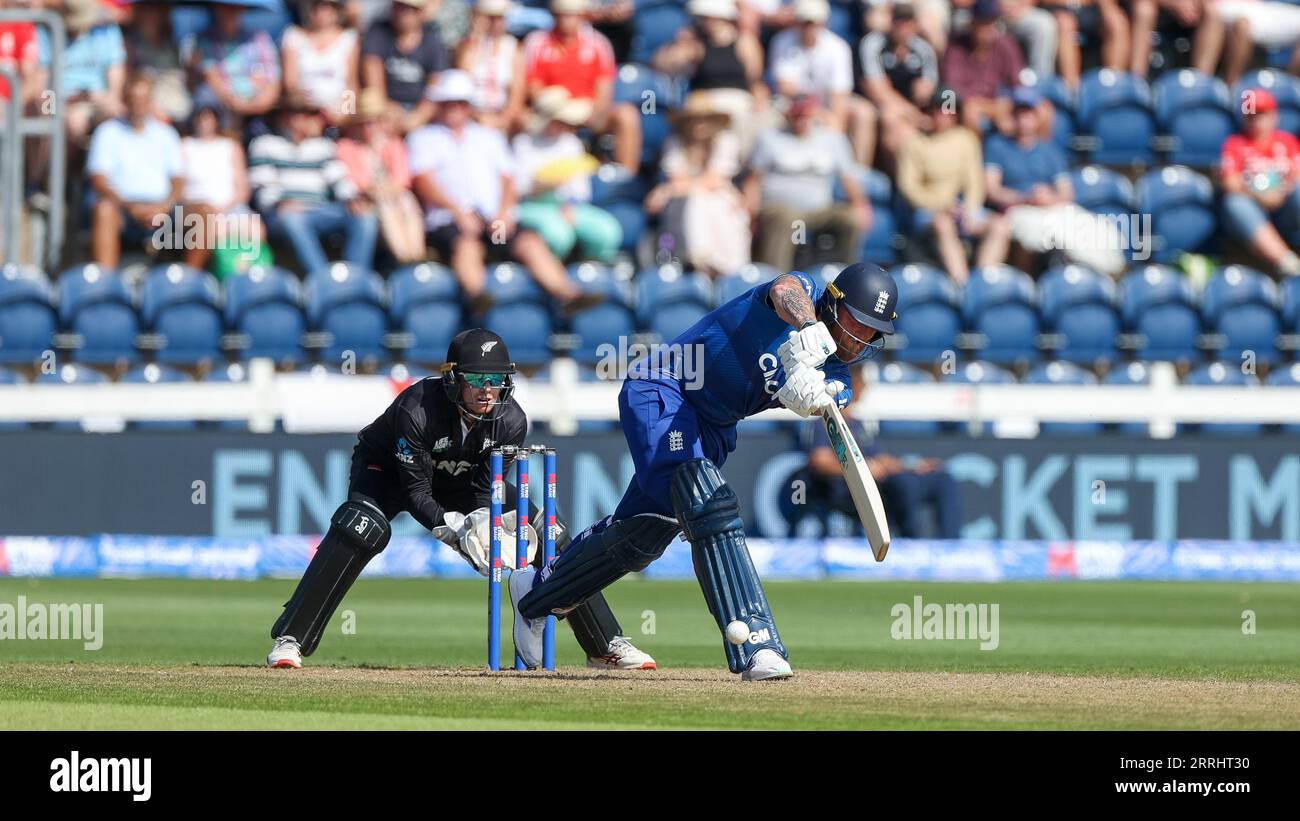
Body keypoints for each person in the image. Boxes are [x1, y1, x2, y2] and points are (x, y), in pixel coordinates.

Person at [510, 263, 901, 681]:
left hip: (713, 427)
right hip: (665, 388)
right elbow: (784, 288)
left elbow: (829, 403)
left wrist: (814, 397)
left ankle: (535, 595)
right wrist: (808, 327)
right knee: (706, 498)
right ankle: (757, 644)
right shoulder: (801, 292)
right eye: (856, 325)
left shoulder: (839, 373)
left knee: (643, 535)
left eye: (871, 334)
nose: (859, 341)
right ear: (833, 303)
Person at [266, 328, 656, 671]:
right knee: (360, 526)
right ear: (454, 380)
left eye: (497, 379)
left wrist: (483, 521)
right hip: (388, 473)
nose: (488, 389)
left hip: (464, 483)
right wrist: (454, 530)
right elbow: (416, 491)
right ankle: (292, 638)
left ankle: (604, 644)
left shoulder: (511, 421)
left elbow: (485, 491)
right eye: (477, 379)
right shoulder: (415, 409)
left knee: (548, 531)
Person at [408, 70, 587, 306]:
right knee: (466, 245)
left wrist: (504, 212)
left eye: (460, 103)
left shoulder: (489, 137)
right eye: (448, 103)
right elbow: (424, 181)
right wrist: (457, 211)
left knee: (530, 243)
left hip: (494, 217)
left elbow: (508, 179)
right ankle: (477, 297)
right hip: (449, 218)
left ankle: (568, 296)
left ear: (468, 105)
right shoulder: (423, 138)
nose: (454, 108)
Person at [800, 366, 961, 538]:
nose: (866, 387)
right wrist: (863, 469)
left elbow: (881, 459)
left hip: (881, 482)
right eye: (863, 382)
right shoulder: (825, 423)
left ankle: (951, 545)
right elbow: (820, 462)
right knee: (903, 485)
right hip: (852, 490)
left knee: (943, 480)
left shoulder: (859, 425)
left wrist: (913, 465)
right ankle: (913, 543)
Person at [248, 94, 379, 274]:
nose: (312, 119)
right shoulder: (264, 145)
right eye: (305, 114)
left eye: (312, 114)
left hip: (322, 210)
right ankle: (321, 278)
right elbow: (264, 188)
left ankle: (355, 278)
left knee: (365, 216)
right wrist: (280, 203)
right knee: (292, 220)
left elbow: (340, 181)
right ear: (285, 117)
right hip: (283, 214)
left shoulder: (323, 147)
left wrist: (353, 199)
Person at [745, 93, 872, 272]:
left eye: (805, 113)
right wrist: (752, 214)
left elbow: (848, 179)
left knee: (850, 219)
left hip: (820, 210)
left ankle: (845, 277)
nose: (801, 118)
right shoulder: (769, 138)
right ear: (788, 114)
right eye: (797, 113)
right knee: (790, 219)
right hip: (779, 209)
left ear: (815, 113)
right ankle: (777, 282)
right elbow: (753, 181)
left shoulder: (833, 140)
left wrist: (861, 205)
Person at [897, 89, 1008, 283]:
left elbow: (975, 181)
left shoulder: (966, 139)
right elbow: (908, 188)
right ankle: (961, 283)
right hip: (928, 211)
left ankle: (983, 281)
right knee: (943, 225)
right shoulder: (914, 143)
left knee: (999, 225)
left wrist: (970, 209)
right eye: (938, 111)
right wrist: (942, 205)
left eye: (947, 111)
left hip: (961, 209)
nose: (943, 116)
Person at [522, 0, 641, 172]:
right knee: (521, 119)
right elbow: (533, 87)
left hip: (586, 110)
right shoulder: (537, 42)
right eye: (561, 14)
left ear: (582, 16)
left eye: (570, 14)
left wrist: (593, 115)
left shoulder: (598, 44)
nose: (565, 20)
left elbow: (604, 88)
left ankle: (625, 179)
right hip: (550, 110)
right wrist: (556, 109)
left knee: (627, 114)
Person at [512, 87, 622, 263]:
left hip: (569, 206)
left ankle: (591, 274)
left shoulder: (571, 143)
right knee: (559, 235)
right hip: (533, 207)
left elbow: (581, 190)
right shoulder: (523, 144)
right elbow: (518, 190)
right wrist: (543, 186)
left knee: (608, 231)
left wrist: (569, 206)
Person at [646, 92, 751, 276]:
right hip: (684, 201)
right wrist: (678, 187)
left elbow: (715, 179)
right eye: (694, 119)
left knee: (721, 208)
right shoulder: (675, 142)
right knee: (696, 201)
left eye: (704, 119)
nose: (699, 124)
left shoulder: (726, 140)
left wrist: (667, 190)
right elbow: (678, 178)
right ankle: (700, 260)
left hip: (718, 197)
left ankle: (728, 268)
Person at [86, 72, 183, 269]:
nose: (138, 105)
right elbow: (98, 180)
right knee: (104, 210)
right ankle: (107, 287)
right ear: (125, 100)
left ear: (151, 101)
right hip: (122, 208)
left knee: (203, 214)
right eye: (133, 99)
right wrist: (131, 207)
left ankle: (189, 286)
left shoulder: (167, 134)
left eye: (143, 99)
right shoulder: (107, 132)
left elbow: (178, 180)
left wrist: (164, 207)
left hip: (163, 210)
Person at [768, 0, 878, 167]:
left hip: (825, 103)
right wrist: (816, 110)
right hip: (792, 103)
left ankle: (856, 171)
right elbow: (785, 88)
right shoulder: (782, 41)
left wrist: (835, 123)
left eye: (813, 22)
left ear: (824, 22)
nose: (809, 27)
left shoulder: (838, 47)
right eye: (804, 22)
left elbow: (839, 95)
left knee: (863, 113)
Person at [652, 0, 767, 153]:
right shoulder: (696, 45)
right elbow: (662, 65)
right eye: (704, 18)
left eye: (712, 17)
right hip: (705, 103)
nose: (708, 22)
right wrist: (681, 44)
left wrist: (759, 98)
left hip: (739, 102)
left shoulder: (744, 41)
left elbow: (755, 79)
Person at [337, 88, 426, 264]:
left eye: (375, 122)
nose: (370, 127)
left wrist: (388, 190)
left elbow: (402, 180)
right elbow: (358, 182)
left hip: (394, 196)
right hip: (372, 200)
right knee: (386, 209)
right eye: (365, 122)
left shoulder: (393, 145)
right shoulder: (346, 147)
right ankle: (406, 260)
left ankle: (416, 256)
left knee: (407, 203)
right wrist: (380, 192)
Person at [1220, 89, 1300, 278]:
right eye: (1251, 116)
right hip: (1253, 210)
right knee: (1234, 203)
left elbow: (1297, 173)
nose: (1256, 121)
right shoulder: (1235, 144)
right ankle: (1288, 262)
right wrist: (1260, 195)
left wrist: (1280, 191)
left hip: (1286, 207)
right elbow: (1230, 183)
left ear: (1274, 116)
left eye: (1261, 114)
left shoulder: (1287, 142)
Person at [179, 103, 263, 272]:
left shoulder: (230, 145)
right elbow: (178, 187)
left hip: (231, 207)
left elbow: (242, 188)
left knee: (256, 230)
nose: (204, 122)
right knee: (208, 225)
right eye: (201, 117)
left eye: (209, 117)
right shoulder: (184, 145)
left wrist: (224, 208)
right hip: (196, 208)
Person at [859, 1, 939, 162]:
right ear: (890, 23)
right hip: (886, 107)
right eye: (898, 22)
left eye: (907, 22)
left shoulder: (923, 49)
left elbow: (929, 90)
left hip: (916, 109)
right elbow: (877, 90)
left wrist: (923, 100)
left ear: (915, 25)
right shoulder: (873, 43)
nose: (903, 27)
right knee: (891, 117)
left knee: (946, 109)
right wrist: (911, 113)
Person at [186, 0, 282, 127]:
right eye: (225, 7)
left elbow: (273, 83)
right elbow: (210, 77)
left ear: (242, 9)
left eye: (235, 7)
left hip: (257, 114)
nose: (230, 12)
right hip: (219, 113)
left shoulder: (259, 39)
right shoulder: (202, 40)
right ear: (216, 8)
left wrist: (252, 106)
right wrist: (234, 103)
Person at [361, 0, 450, 133]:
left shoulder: (433, 40)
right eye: (397, 6)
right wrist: (386, 108)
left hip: (420, 117)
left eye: (406, 8)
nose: (400, 12)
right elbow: (372, 77)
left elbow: (435, 88)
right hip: (384, 113)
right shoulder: (378, 32)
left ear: (419, 12)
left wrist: (416, 119)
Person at [940, 0, 1025, 134]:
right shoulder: (956, 48)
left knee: (1042, 110)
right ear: (972, 24)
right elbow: (949, 89)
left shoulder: (1006, 45)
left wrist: (1006, 105)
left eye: (991, 23)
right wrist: (979, 106)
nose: (987, 29)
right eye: (982, 24)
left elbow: (1019, 84)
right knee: (970, 112)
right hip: (966, 108)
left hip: (1001, 104)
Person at [281, 0, 360, 126]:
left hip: (337, 117)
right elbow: (291, 85)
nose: (323, 11)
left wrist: (346, 115)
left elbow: (351, 84)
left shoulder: (348, 39)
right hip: (303, 114)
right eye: (318, 5)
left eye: (329, 6)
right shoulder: (293, 36)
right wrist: (314, 111)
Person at [455, 0, 527, 132]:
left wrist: (504, 118)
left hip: (501, 115)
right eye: (490, 17)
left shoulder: (514, 48)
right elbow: (463, 83)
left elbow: (517, 93)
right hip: (473, 114)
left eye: (500, 18)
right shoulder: (469, 46)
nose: (495, 22)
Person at [124, 1, 191, 123]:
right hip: (146, 107)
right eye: (147, 10)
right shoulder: (130, 45)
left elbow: (184, 79)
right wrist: (150, 108)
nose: (151, 15)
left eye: (156, 10)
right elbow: (128, 82)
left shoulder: (173, 45)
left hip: (176, 107)